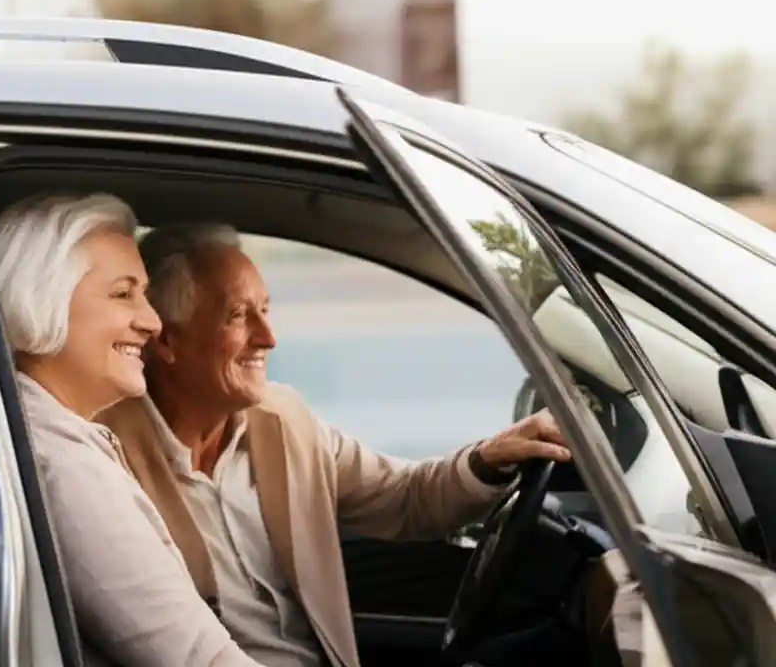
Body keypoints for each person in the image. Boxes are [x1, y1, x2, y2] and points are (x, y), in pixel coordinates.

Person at [96, 223, 573, 667]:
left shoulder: (285, 419)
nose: (268, 338)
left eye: (266, 311)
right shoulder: (103, 454)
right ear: (166, 341)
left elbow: (405, 497)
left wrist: (488, 459)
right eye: (238, 316)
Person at [0, 195, 262, 666]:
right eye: (122, 294)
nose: (152, 322)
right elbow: (200, 660)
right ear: (39, 299)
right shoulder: (64, 466)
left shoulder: (46, 435)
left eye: (146, 295)